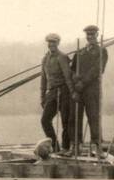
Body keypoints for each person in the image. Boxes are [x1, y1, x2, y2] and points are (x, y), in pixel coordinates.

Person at [72, 24, 109, 158]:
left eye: (92, 35)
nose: (90, 37)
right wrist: (75, 80)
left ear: (97, 36)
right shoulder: (80, 52)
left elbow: (97, 70)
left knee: (93, 117)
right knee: (76, 118)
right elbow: (73, 69)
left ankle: (96, 147)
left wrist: (83, 82)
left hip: (92, 89)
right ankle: (77, 146)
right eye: (88, 35)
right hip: (80, 90)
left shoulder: (101, 51)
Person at [39, 33, 74, 153]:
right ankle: (55, 146)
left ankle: (65, 147)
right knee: (45, 120)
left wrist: (72, 92)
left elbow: (68, 77)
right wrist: (42, 97)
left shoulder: (62, 57)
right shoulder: (45, 59)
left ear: (58, 43)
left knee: (65, 120)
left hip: (64, 91)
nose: (51, 45)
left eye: (54, 42)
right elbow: (43, 79)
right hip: (51, 93)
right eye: (49, 42)